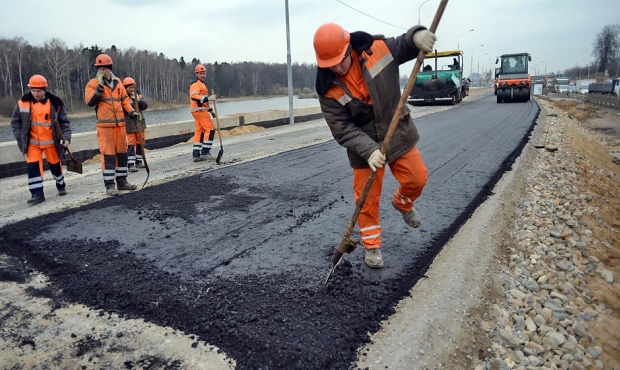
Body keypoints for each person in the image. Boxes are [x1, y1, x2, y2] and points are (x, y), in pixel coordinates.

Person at [313, 23, 435, 269]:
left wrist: (416, 36)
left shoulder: (376, 49)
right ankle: (372, 246)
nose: (337, 67)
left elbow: (403, 45)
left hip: (396, 128)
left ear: (350, 47)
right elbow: (341, 128)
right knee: (366, 200)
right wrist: (369, 151)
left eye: (341, 60)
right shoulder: (327, 89)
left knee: (417, 179)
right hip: (363, 143)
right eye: (330, 65)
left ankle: (402, 202)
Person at [85, 53, 140, 196]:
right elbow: (89, 102)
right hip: (105, 127)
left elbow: (124, 101)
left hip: (120, 126)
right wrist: (98, 91)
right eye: (99, 69)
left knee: (122, 154)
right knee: (108, 155)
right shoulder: (93, 84)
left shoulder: (118, 83)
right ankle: (109, 185)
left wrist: (132, 112)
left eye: (104, 68)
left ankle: (122, 181)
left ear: (110, 69)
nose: (102, 71)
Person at [11, 74, 71, 205]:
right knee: (33, 168)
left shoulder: (55, 104)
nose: (36, 93)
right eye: (33, 90)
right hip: (32, 144)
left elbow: (64, 123)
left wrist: (66, 138)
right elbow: (15, 122)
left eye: (38, 91)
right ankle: (37, 194)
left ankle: (60, 185)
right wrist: (20, 137)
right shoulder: (22, 103)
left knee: (55, 166)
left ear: (44, 90)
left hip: (51, 143)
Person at [189, 64, 216, 162]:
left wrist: (210, 110)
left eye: (204, 73)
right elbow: (194, 96)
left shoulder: (202, 84)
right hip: (199, 110)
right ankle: (205, 152)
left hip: (199, 110)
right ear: (196, 74)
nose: (203, 75)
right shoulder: (195, 84)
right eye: (200, 73)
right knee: (210, 129)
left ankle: (196, 154)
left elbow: (203, 102)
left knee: (200, 131)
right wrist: (208, 98)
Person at [122, 77, 148, 172]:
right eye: (129, 88)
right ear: (125, 88)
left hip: (140, 124)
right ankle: (131, 164)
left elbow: (145, 106)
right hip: (129, 124)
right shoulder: (123, 98)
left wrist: (138, 100)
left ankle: (139, 161)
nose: (131, 89)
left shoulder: (138, 95)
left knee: (140, 142)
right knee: (131, 144)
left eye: (132, 87)